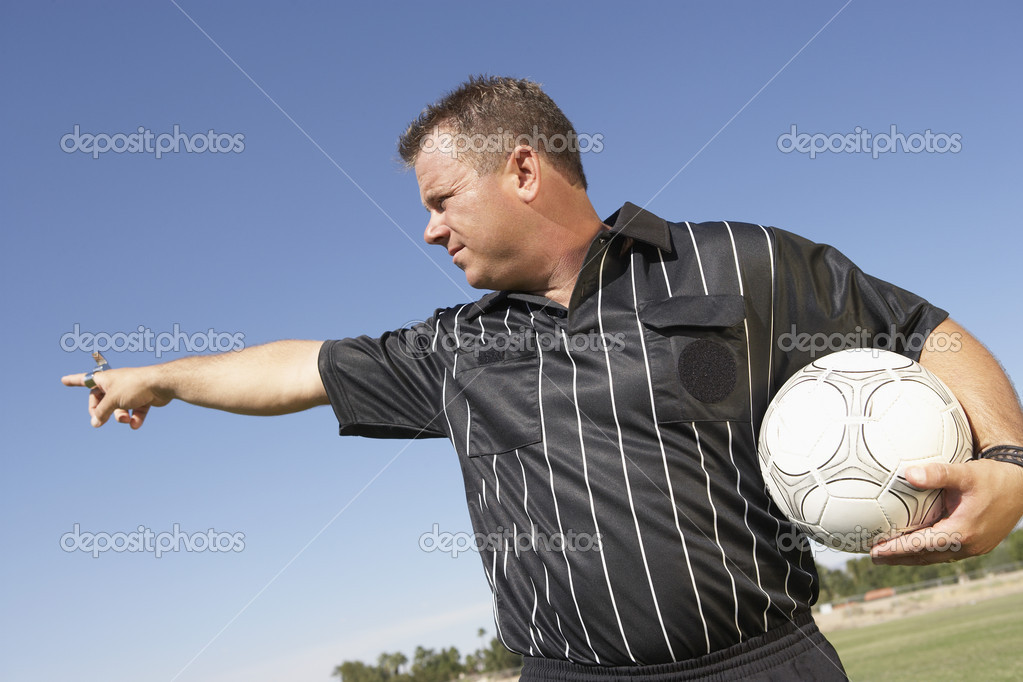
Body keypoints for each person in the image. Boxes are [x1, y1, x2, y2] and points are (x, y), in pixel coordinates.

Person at [63, 76, 1023, 681]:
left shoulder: (742, 264)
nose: (430, 230)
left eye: (441, 201)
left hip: (767, 663)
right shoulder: (453, 347)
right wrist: (167, 377)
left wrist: (1009, 465)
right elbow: (297, 369)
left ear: (521, 168)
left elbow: (924, 332)